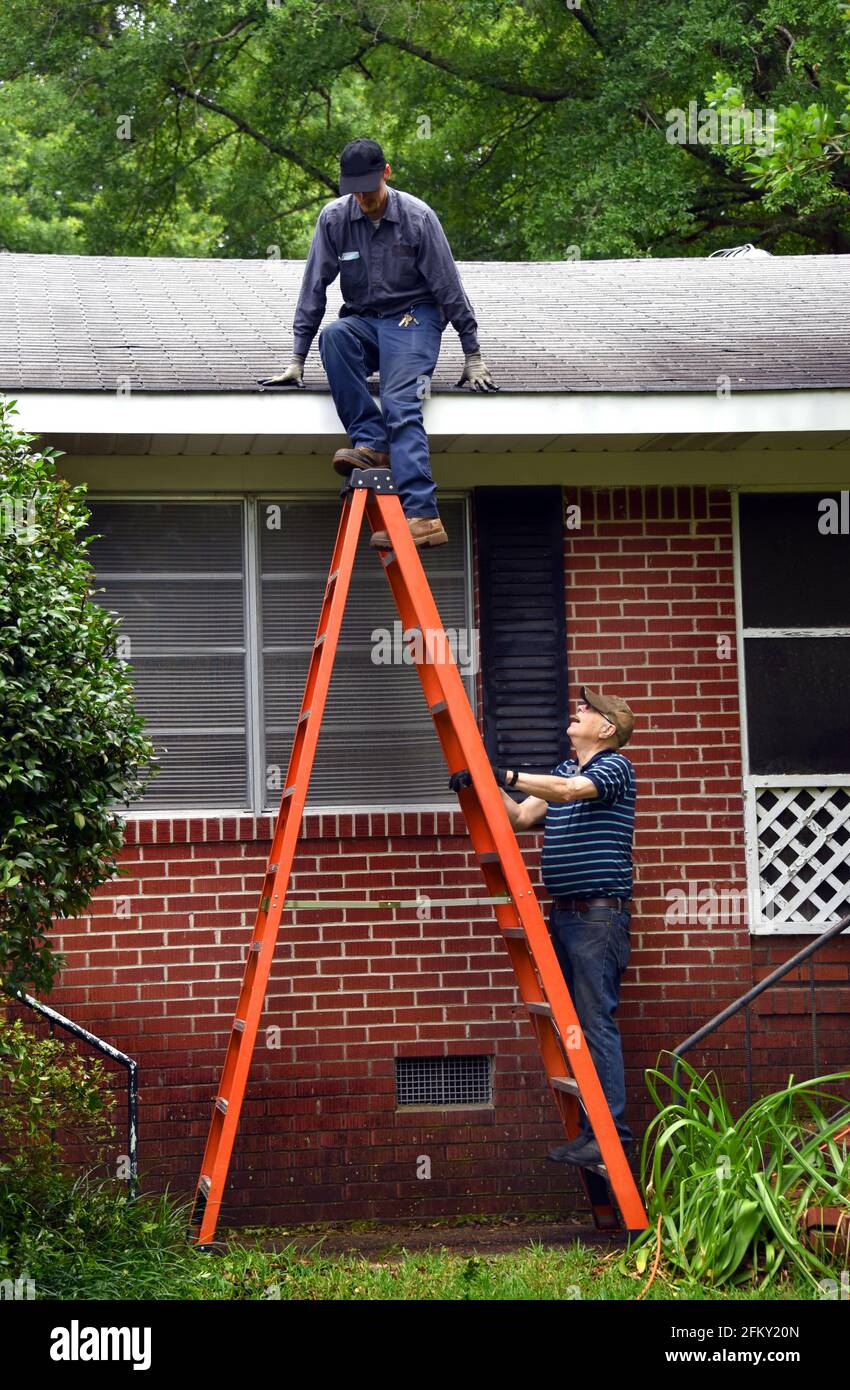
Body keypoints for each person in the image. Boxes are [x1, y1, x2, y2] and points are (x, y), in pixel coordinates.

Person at [259, 137, 498, 549]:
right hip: (365, 320)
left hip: (415, 315)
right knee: (334, 337)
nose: (363, 197)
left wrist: (471, 352)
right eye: (355, 189)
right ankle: (371, 441)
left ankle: (423, 514)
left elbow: (447, 285)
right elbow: (314, 285)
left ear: (386, 173)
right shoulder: (334, 220)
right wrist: (297, 358)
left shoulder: (417, 217)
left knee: (401, 401)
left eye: (369, 187)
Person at [488, 687, 637, 1169]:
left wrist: (506, 774)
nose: (578, 711)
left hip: (599, 916)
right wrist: (482, 784)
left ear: (607, 728)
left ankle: (610, 1134)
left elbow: (571, 793)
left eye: (589, 710)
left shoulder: (613, 766)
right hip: (568, 914)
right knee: (577, 1025)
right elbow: (519, 817)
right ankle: (595, 1132)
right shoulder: (564, 771)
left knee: (595, 1022)